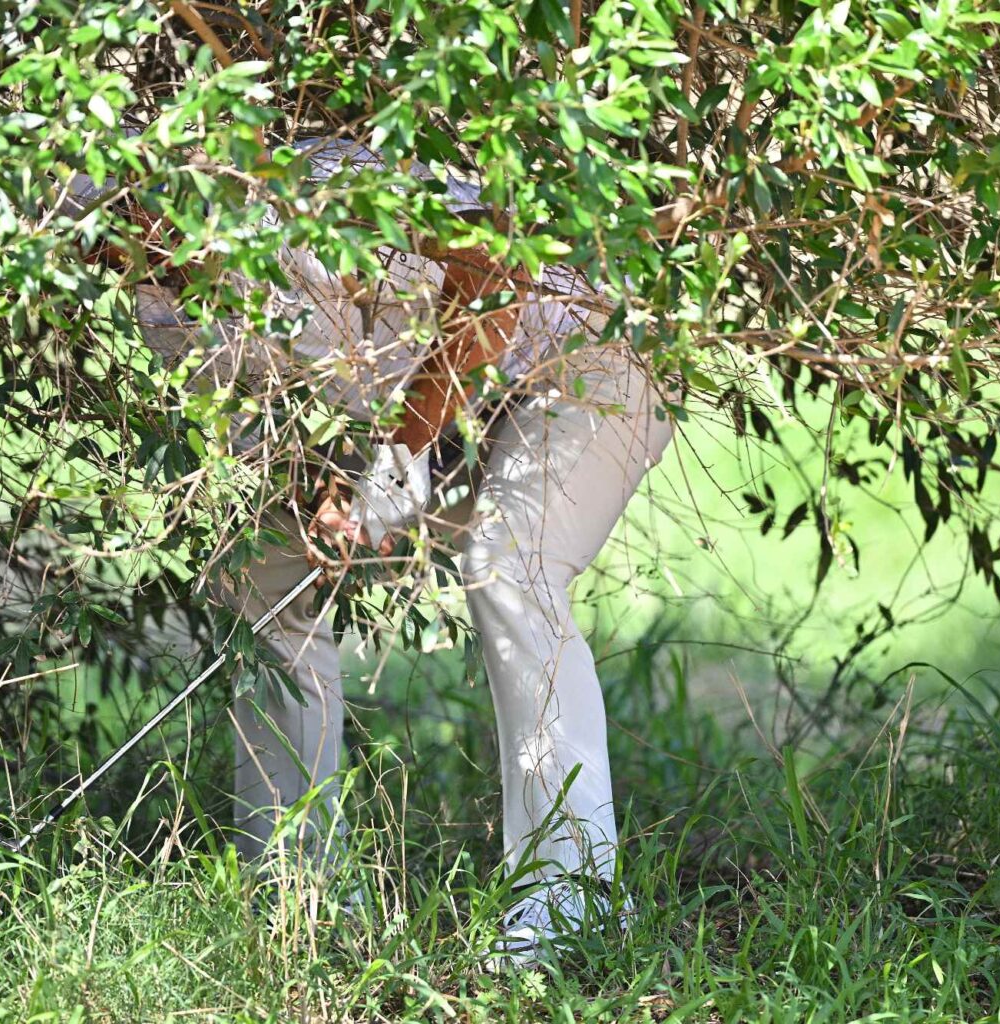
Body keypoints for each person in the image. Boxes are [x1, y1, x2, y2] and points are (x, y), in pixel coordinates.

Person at [73, 138, 674, 960]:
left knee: (508, 558)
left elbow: (497, 275)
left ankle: (575, 899)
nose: (119, 256)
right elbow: (284, 426)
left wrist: (396, 457)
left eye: (124, 223)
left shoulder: (296, 191)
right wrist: (322, 497)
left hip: (587, 359)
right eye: (98, 247)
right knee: (259, 569)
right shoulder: (162, 310)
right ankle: (299, 886)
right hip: (457, 406)